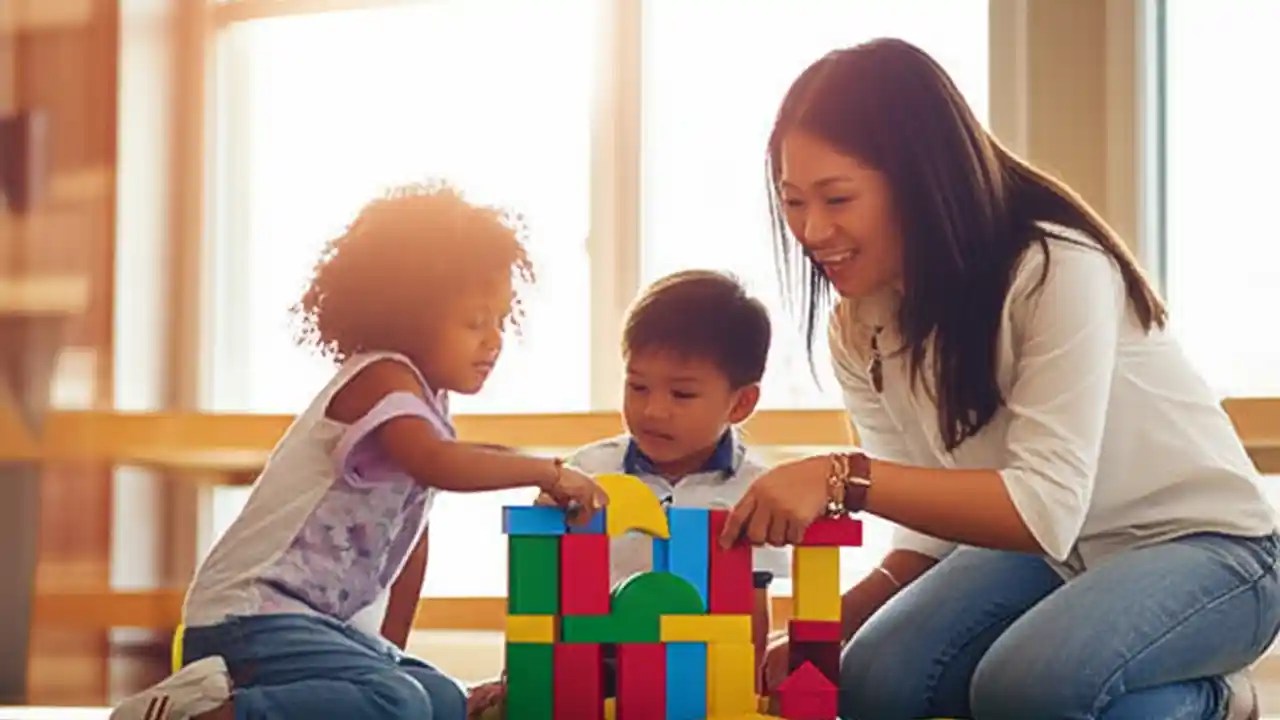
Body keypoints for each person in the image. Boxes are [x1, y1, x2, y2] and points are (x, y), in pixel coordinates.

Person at [719, 38, 1280, 720]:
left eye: (837, 198)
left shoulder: (1053, 268)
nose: (811, 230)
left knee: (1025, 685)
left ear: (920, 179)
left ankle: (1218, 702)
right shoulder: (860, 324)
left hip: (1210, 549)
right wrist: (831, 625)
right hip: (1060, 556)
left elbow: (1042, 506)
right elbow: (928, 530)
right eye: (794, 202)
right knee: (872, 677)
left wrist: (839, 476)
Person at [110, 181, 608, 720]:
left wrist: (391, 656)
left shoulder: (426, 404)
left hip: (306, 629)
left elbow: (411, 546)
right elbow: (437, 463)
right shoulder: (383, 382)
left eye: (500, 321)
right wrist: (548, 473)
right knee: (402, 703)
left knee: (437, 700)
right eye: (473, 322)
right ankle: (199, 715)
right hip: (248, 620)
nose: (494, 341)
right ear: (408, 313)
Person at [466, 269, 789, 718]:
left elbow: (753, 603)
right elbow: (540, 587)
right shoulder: (587, 472)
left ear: (740, 403)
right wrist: (521, 675)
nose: (653, 410)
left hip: (702, 671)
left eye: (682, 394)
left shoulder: (756, 489)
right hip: (596, 663)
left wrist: (742, 690)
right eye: (637, 387)